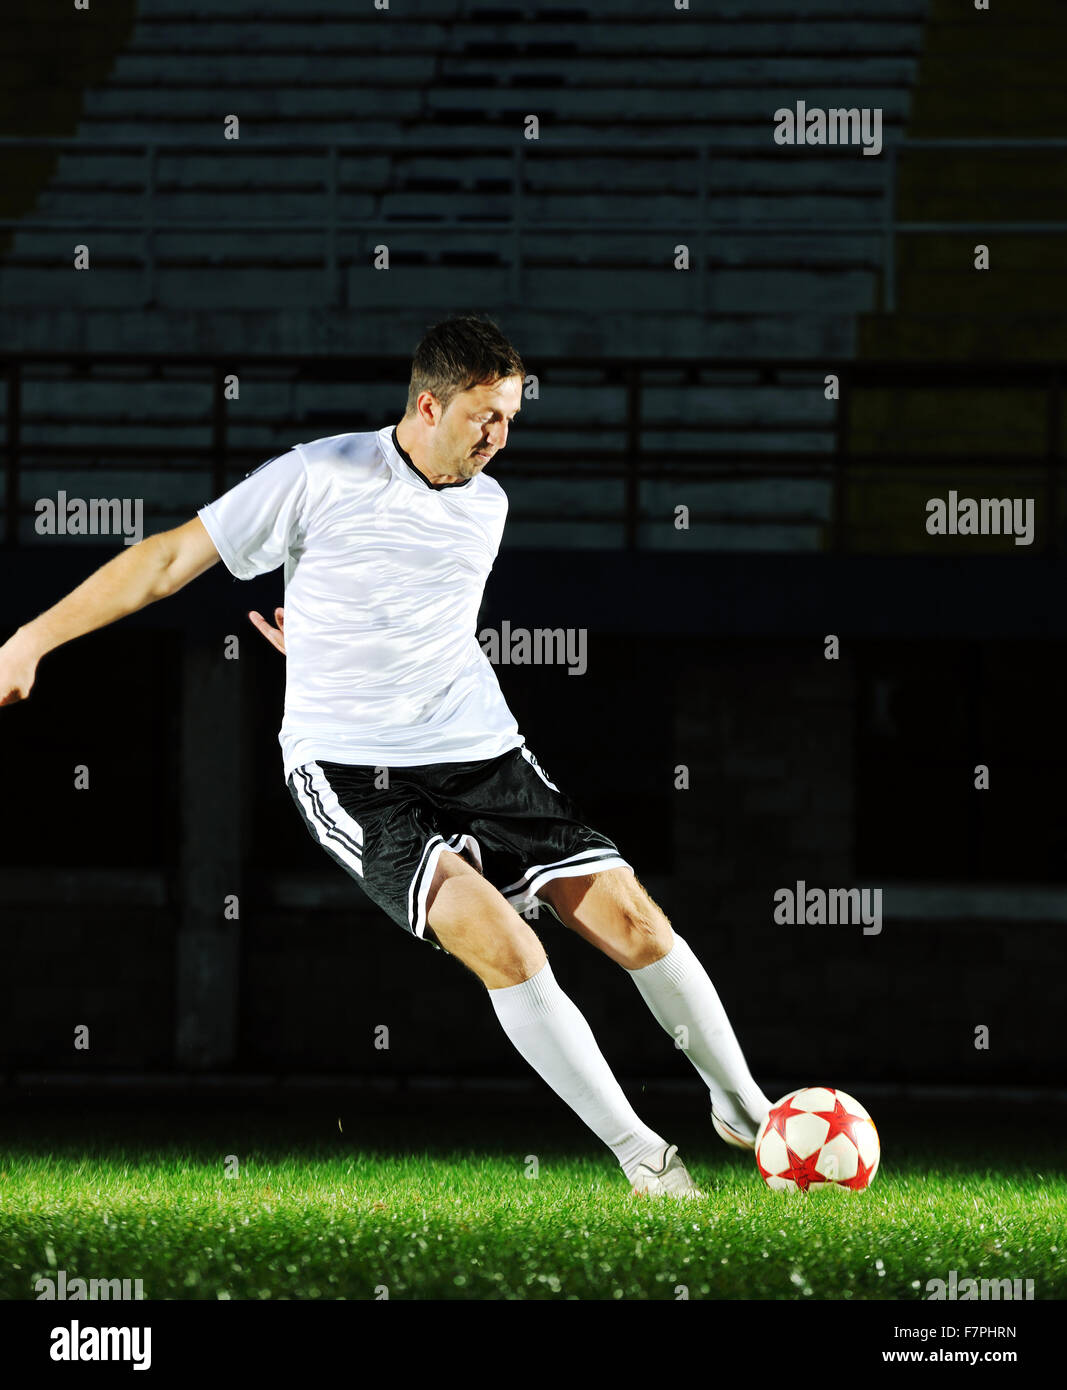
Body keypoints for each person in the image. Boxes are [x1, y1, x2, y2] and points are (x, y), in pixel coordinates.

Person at [0, 313, 772, 1198]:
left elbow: (415, 612)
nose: (500, 437)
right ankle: (646, 1160)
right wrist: (30, 640)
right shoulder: (322, 471)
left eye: (512, 418)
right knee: (508, 947)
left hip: (482, 753)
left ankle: (746, 1106)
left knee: (634, 920)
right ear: (428, 404)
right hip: (353, 771)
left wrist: (332, 638)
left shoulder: (488, 504)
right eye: (485, 417)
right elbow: (170, 559)